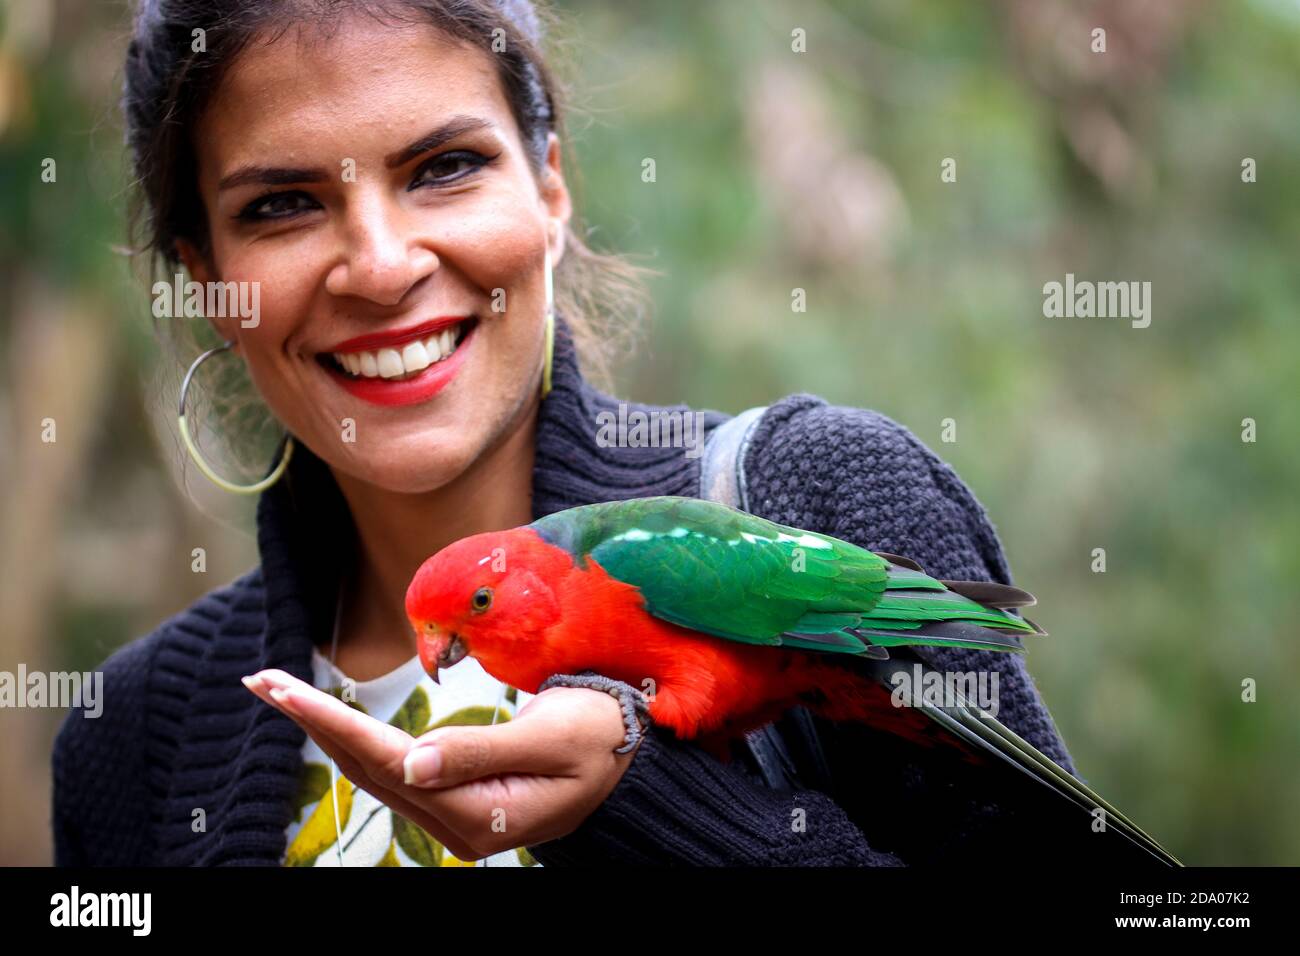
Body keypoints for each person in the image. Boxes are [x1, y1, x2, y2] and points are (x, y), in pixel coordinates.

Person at [52, 0, 1079, 866]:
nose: (380, 265)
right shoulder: (133, 734)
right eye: (281, 204)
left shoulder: (815, 490)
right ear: (208, 281)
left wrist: (663, 802)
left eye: (444, 166)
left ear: (549, 187)